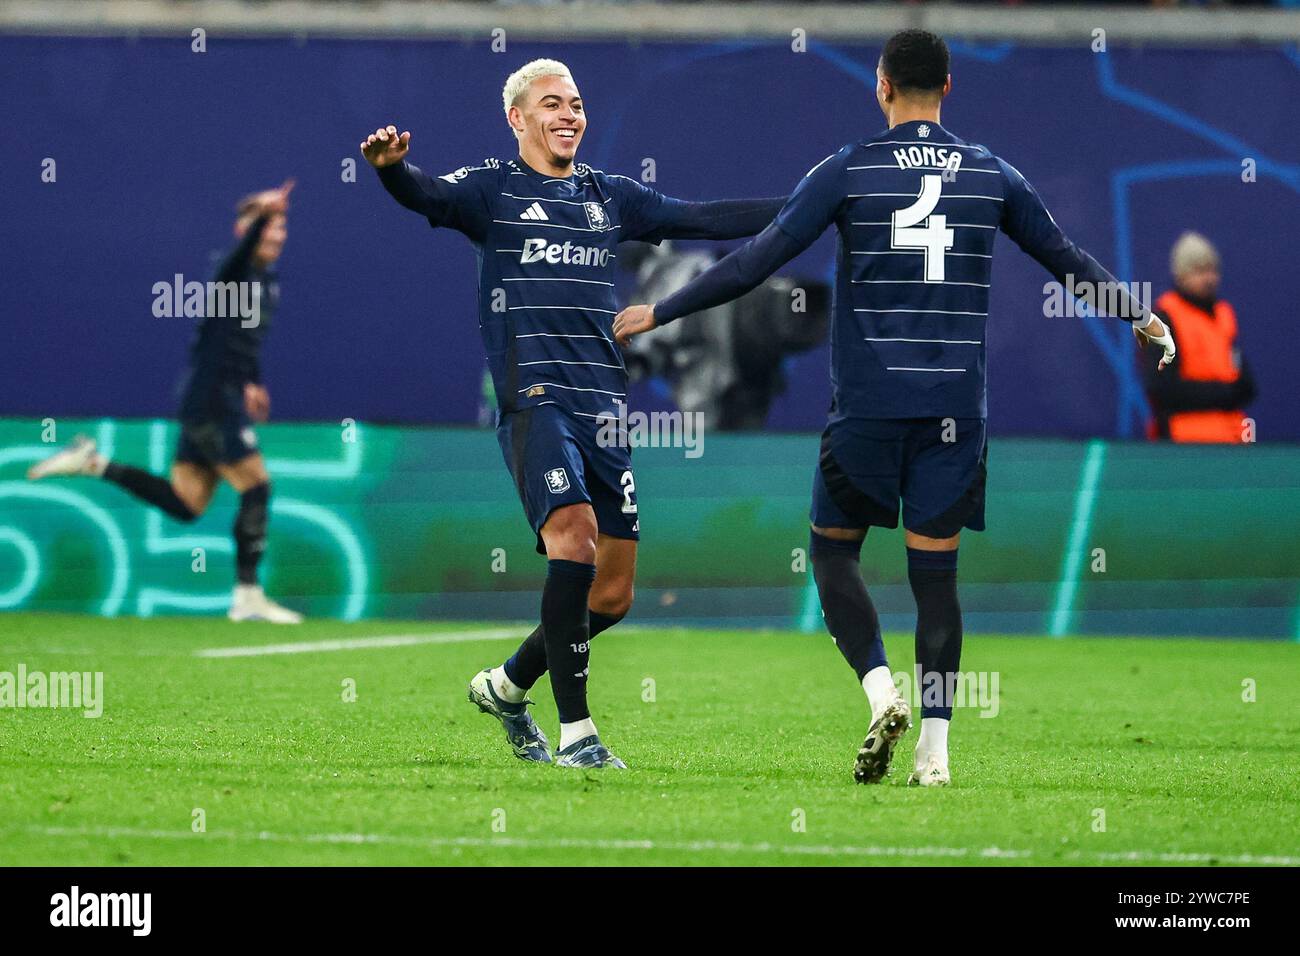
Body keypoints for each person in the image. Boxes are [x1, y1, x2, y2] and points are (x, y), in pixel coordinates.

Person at [614, 30, 1176, 786]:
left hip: (869, 408)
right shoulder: (992, 175)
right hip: (954, 411)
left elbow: (757, 261)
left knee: (832, 552)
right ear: (949, 88)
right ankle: (935, 759)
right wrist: (1139, 316)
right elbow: (1066, 260)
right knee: (936, 581)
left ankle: (881, 692)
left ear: (881, 86)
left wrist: (663, 308)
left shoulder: (847, 170)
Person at [360, 59, 785, 769]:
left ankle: (506, 686)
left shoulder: (608, 197)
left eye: (577, 104)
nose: (569, 115)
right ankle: (578, 735)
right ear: (517, 119)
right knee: (575, 539)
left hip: (605, 412)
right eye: (551, 103)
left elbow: (701, 216)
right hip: (536, 401)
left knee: (613, 595)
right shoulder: (492, 189)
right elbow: (426, 194)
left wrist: (806, 207)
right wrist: (390, 171)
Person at [29, 180, 303, 624]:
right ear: (243, 230)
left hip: (216, 399)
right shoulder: (230, 271)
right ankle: (248, 596)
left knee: (187, 504)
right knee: (257, 486)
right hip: (212, 401)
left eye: (280, 227)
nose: (276, 234)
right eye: (266, 226)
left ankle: (93, 463)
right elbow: (236, 266)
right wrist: (264, 216)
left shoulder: (267, 282)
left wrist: (255, 382)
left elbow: (242, 341)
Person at [1142, 231, 1255, 442]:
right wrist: (1225, 392)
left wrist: (1230, 391)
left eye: (1213, 270)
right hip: (1187, 440)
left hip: (1236, 435)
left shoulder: (1224, 314)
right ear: (1181, 275)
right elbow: (1163, 389)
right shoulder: (1163, 318)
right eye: (1199, 271)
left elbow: (1246, 384)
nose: (1209, 278)